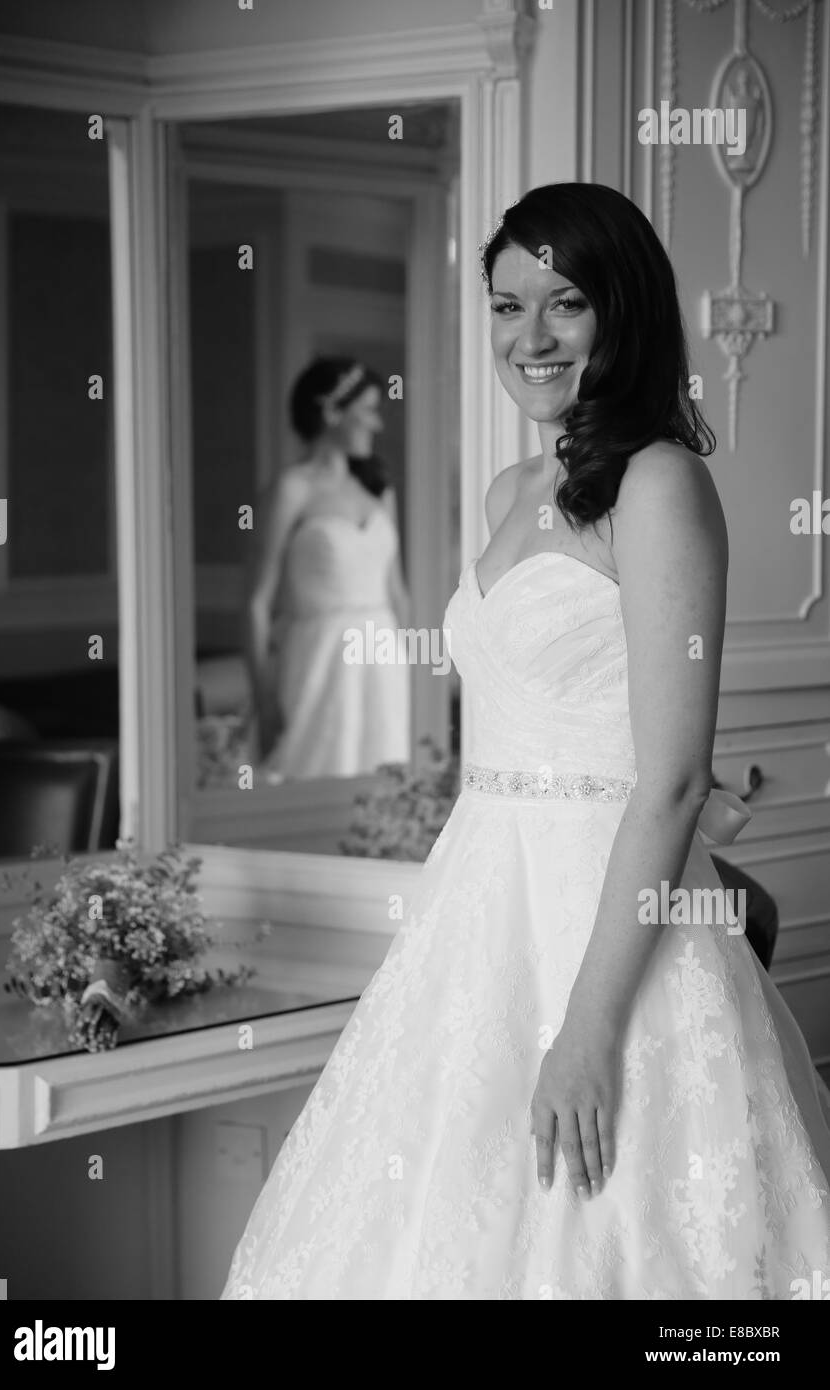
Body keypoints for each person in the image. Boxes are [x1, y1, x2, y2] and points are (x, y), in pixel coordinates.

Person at [222, 184, 830, 1299]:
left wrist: (588, 1031)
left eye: (563, 304)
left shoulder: (658, 485)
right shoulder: (511, 486)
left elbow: (674, 776)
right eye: (506, 307)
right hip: (478, 907)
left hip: (603, 931)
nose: (529, 337)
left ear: (621, 314)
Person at [244, 358, 411, 779]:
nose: (377, 426)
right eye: (369, 411)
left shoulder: (379, 490)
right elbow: (257, 603)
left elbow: (398, 592)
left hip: (383, 662)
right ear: (332, 412)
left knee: (382, 786)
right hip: (319, 664)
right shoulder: (291, 490)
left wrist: (415, 672)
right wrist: (264, 703)